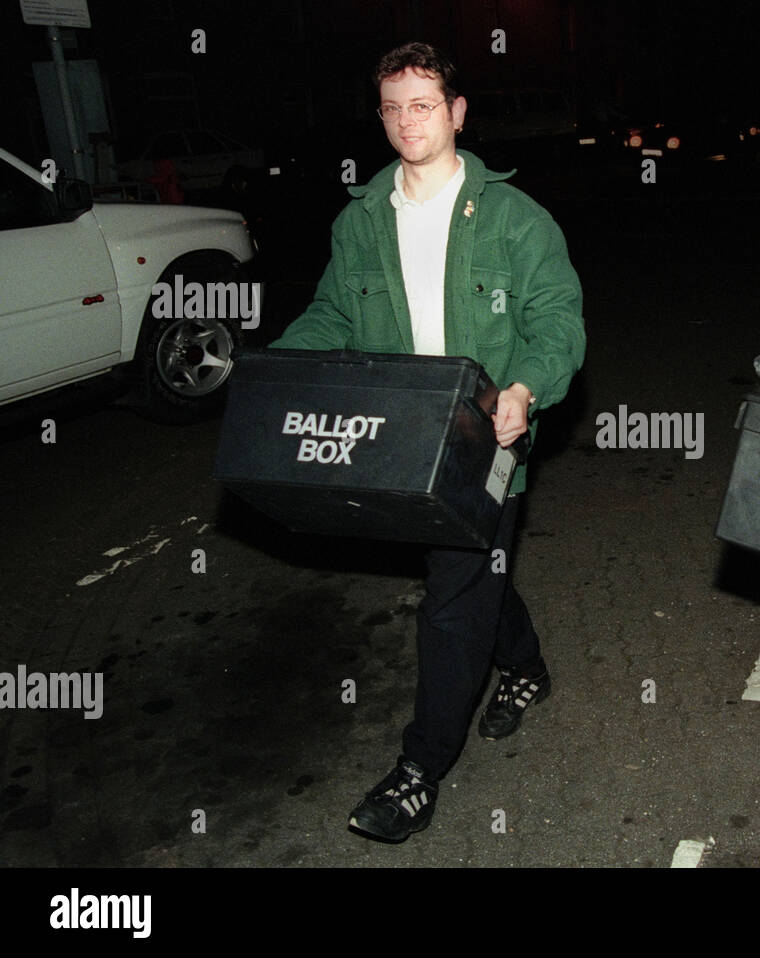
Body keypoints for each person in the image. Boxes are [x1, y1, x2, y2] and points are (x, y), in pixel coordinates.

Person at [269, 42, 585, 842]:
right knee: (474, 572)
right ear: (380, 117)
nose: (409, 120)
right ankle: (526, 664)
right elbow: (334, 318)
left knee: (449, 600)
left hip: (489, 440)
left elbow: (558, 322)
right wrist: (274, 374)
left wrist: (525, 388)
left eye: (423, 104)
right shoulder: (361, 220)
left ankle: (419, 770)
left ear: (456, 112)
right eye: (393, 106)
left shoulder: (516, 218)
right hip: (403, 439)